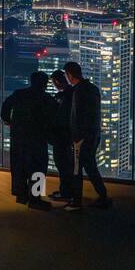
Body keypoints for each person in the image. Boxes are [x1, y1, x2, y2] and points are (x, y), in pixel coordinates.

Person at [0, 71, 56, 210]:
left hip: (18, 137)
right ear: (44, 83)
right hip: (37, 139)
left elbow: (6, 106)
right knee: (38, 168)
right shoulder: (46, 98)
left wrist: (8, 120)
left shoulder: (19, 94)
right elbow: (54, 117)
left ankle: (21, 195)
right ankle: (35, 199)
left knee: (19, 166)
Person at [63, 61, 111, 211]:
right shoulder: (92, 88)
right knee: (90, 167)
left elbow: (77, 116)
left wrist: (76, 138)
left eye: (66, 75)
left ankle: (76, 202)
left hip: (81, 138)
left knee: (77, 169)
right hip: (94, 135)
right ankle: (103, 196)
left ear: (70, 75)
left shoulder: (78, 92)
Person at [49, 70, 77, 202]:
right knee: (67, 164)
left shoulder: (63, 97)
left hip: (61, 136)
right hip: (68, 135)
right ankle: (67, 191)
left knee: (62, 164)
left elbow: (59, 116)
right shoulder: (72, 93)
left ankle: (66, 192)